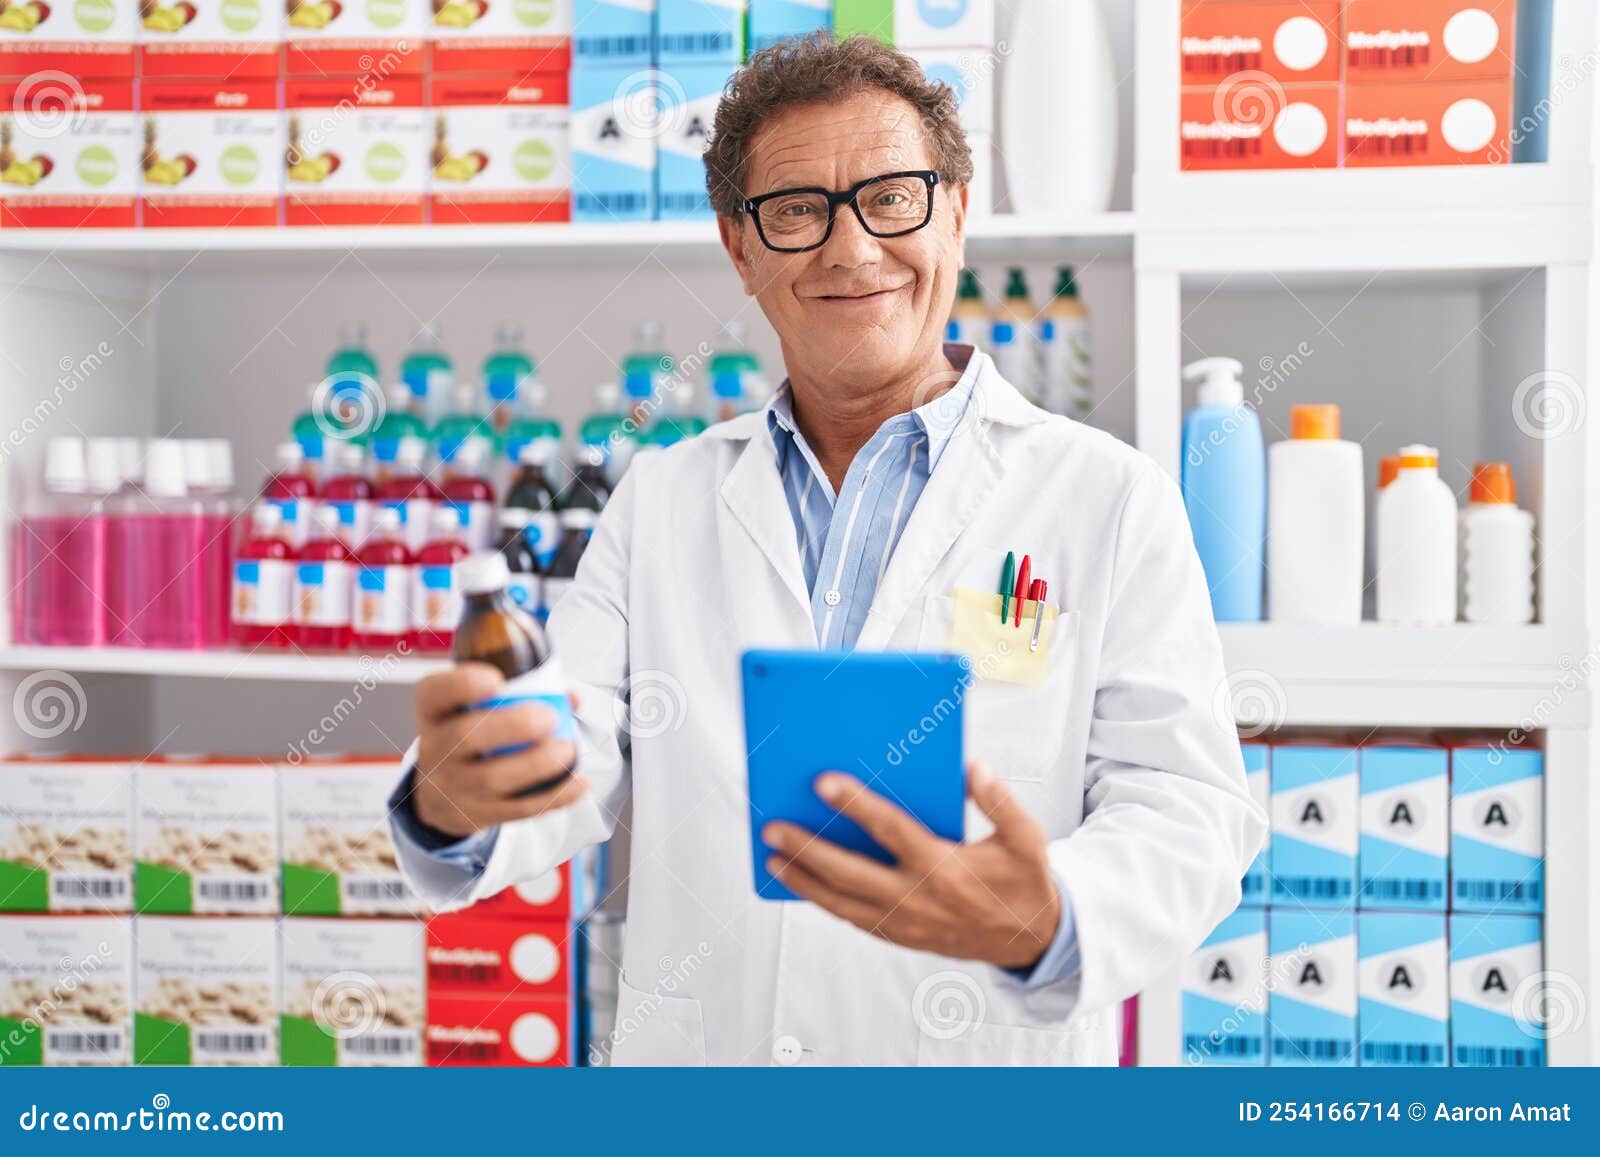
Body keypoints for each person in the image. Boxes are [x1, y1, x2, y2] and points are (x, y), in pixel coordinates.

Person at [390, 34, 1267, 1066]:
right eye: (798, 210)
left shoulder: (1109, 498)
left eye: (892, 196)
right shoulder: (663, 499)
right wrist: (461, 792)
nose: (851, 251)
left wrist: (1049, 911)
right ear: (740, 246)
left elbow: (1191, 811)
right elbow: (568, 739)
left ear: (955, 208)